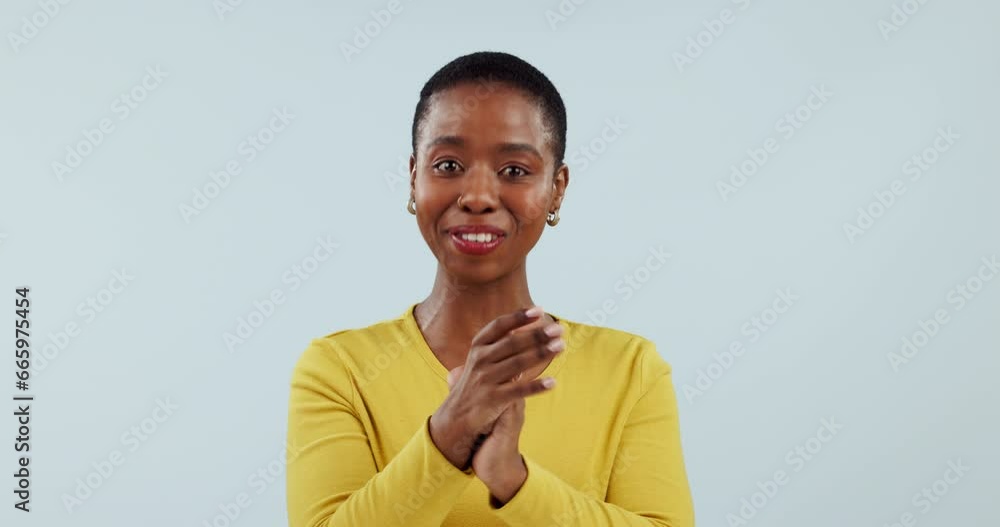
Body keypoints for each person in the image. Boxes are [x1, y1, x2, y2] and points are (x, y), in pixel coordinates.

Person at [285, 51, 694, 526]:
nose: (477, 197)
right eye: (448, 165)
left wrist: (514, 480)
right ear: (413, 177)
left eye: (515, 171)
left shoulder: (632, 371)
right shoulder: (339, 371)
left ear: (557, 188)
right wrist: (451, 433)